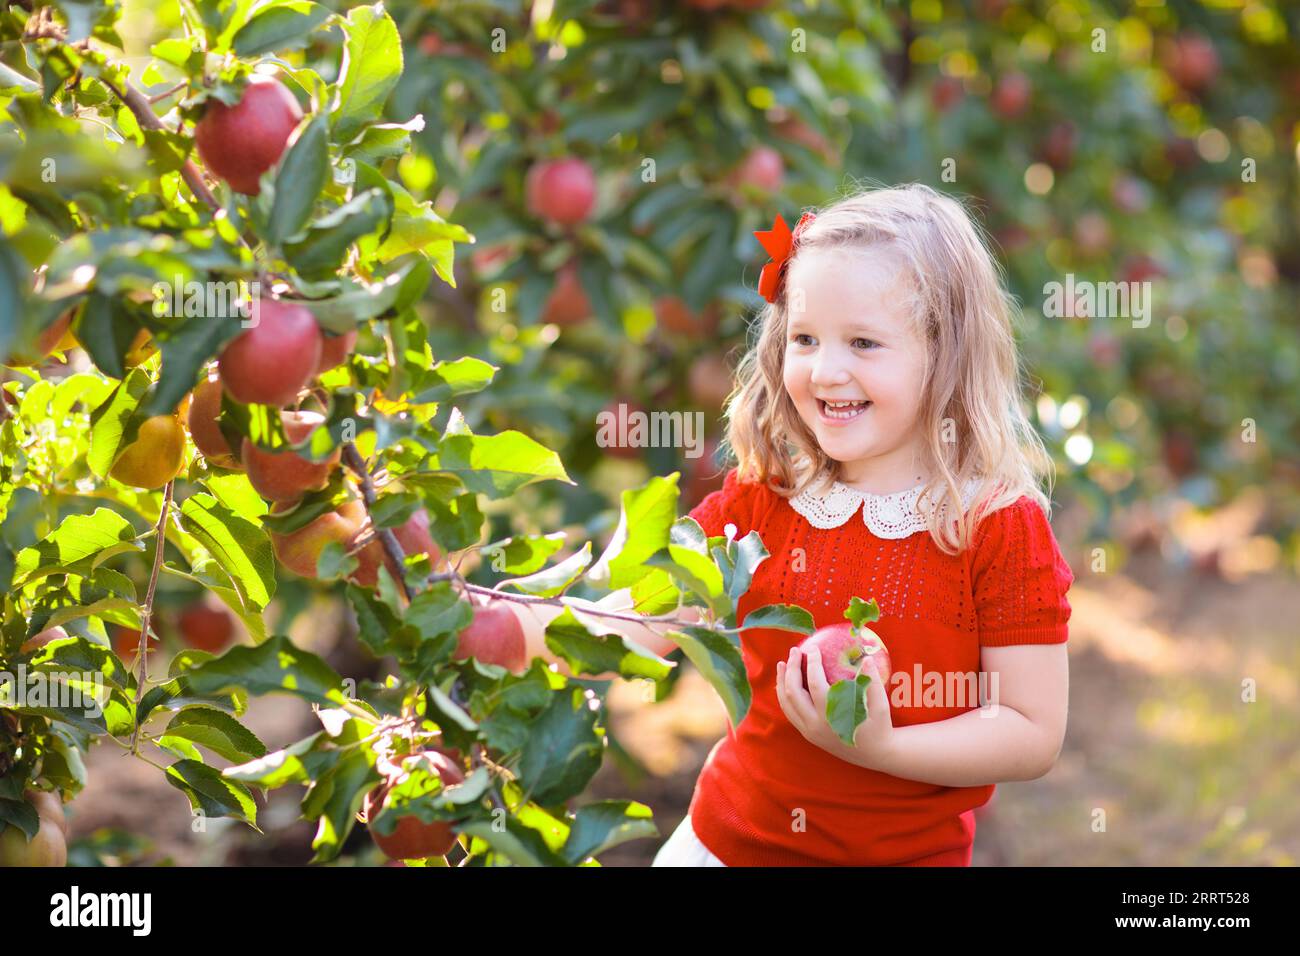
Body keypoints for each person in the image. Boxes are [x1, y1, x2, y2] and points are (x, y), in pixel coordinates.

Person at [516, 182, 1075, 866]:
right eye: (806, 338)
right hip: (727, 850)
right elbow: (632, 626)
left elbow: (1030, 731)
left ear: (946, 351)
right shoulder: (759, 508)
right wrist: (495, 625)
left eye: (864, 342)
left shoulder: (992, 528)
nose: (826, 370)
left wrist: (883, 747)